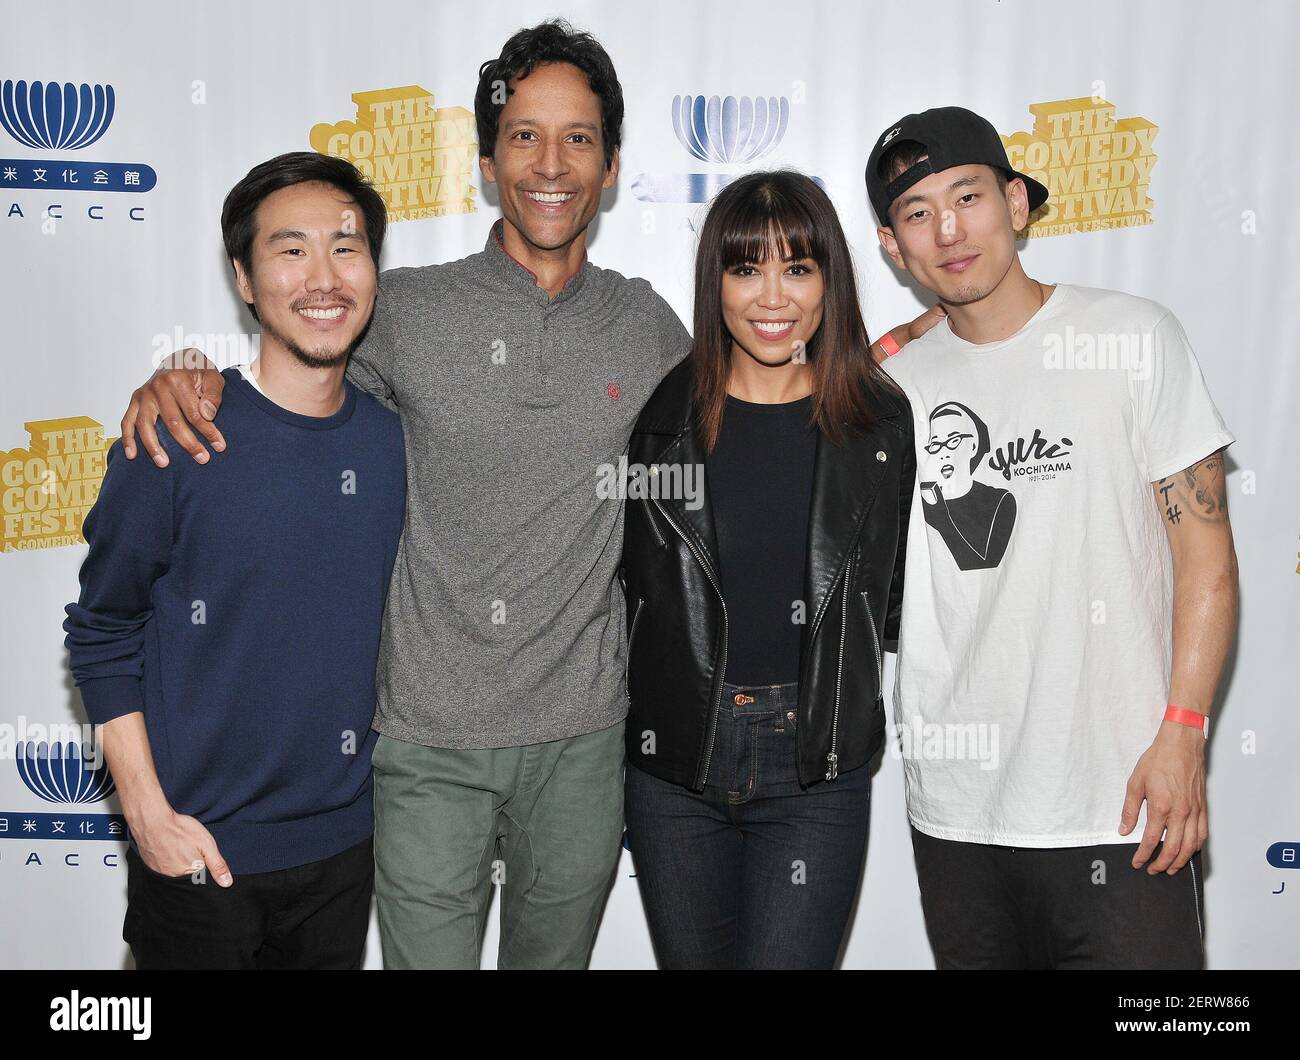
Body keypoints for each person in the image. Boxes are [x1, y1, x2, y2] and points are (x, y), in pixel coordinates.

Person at [109, 20, 691, 969]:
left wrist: (914, 340)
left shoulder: (649, 324)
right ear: (488, 159)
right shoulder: (403, 308)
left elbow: (759, 399)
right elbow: (296, 378)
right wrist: (183, 374)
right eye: (524, 136)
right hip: (421, 746)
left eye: (578, 137)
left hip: (584, 742)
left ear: (613, 163)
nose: (551, 163)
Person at [867, 106, 1238, 968]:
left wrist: (1184, 732)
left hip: (1122, 799)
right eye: (918, 213)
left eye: (968, 197)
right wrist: (899, 339)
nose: (949, 230)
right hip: (959, 812)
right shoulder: (888, 388)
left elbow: (1206, 559)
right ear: (893, 246)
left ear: (1017, 204)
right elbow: (784, 399)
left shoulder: (1135, 337)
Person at [63, 152, 405, 969]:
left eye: (346, 247)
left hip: (344, 854)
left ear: (374, 271)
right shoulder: (173, 439)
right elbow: (101, 631)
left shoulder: (395, 443)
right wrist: (144, 814)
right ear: (245, 280)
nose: (322, 277)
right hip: (195, 859)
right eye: (291, 250)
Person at [620, 171, 915, 968]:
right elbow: (624, 591)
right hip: (676, 762)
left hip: (815, 762)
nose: (772, 296)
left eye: (799, 267)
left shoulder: (882, 423)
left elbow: (889, 604)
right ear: (715, 280)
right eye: (746, 268)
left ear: (830, 281)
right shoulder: (657, 423)